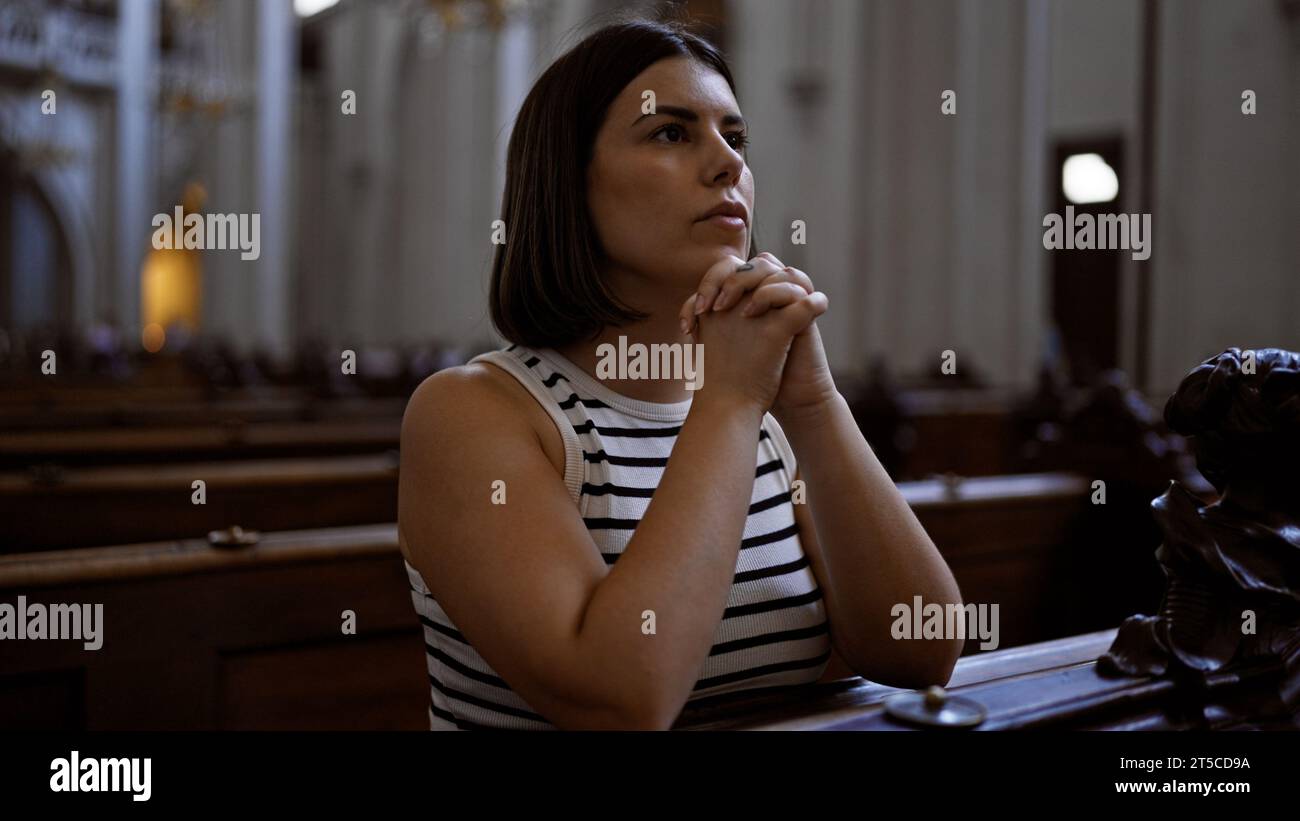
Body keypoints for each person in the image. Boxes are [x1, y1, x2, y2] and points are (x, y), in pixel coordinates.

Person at [397, 16, 964, 730]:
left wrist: (814, 403)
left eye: (737, 137)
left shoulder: (765, 417)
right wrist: (729, 399)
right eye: (671, 132)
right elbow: (622, 698)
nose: (727, 163)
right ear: (569, 182)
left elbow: (923, 647)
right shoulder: (474, 415)